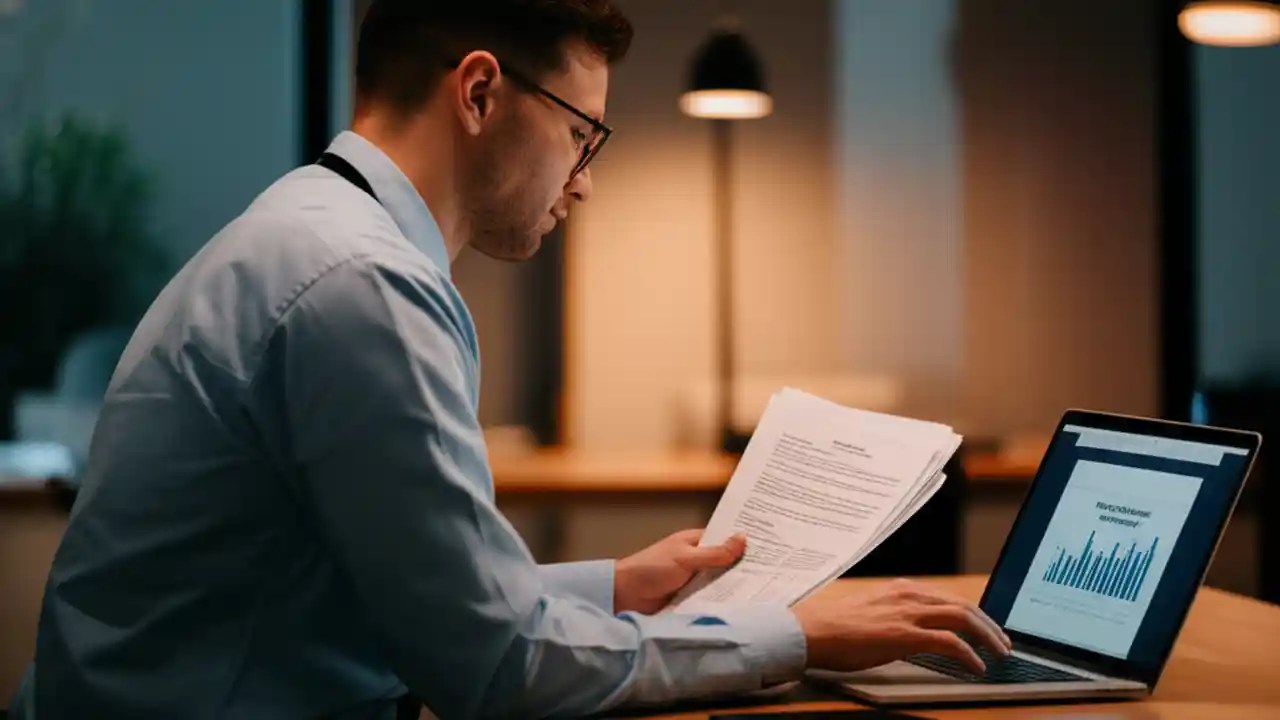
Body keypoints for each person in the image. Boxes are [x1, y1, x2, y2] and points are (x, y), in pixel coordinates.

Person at [10, 1, 1010, 718]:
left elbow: (411, 593)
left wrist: (613, 585)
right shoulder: (359, 284)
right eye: (582, 133)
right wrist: (800, 638)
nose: (584, 183)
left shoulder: (307, 236)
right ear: (481, 91)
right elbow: (493, 666)